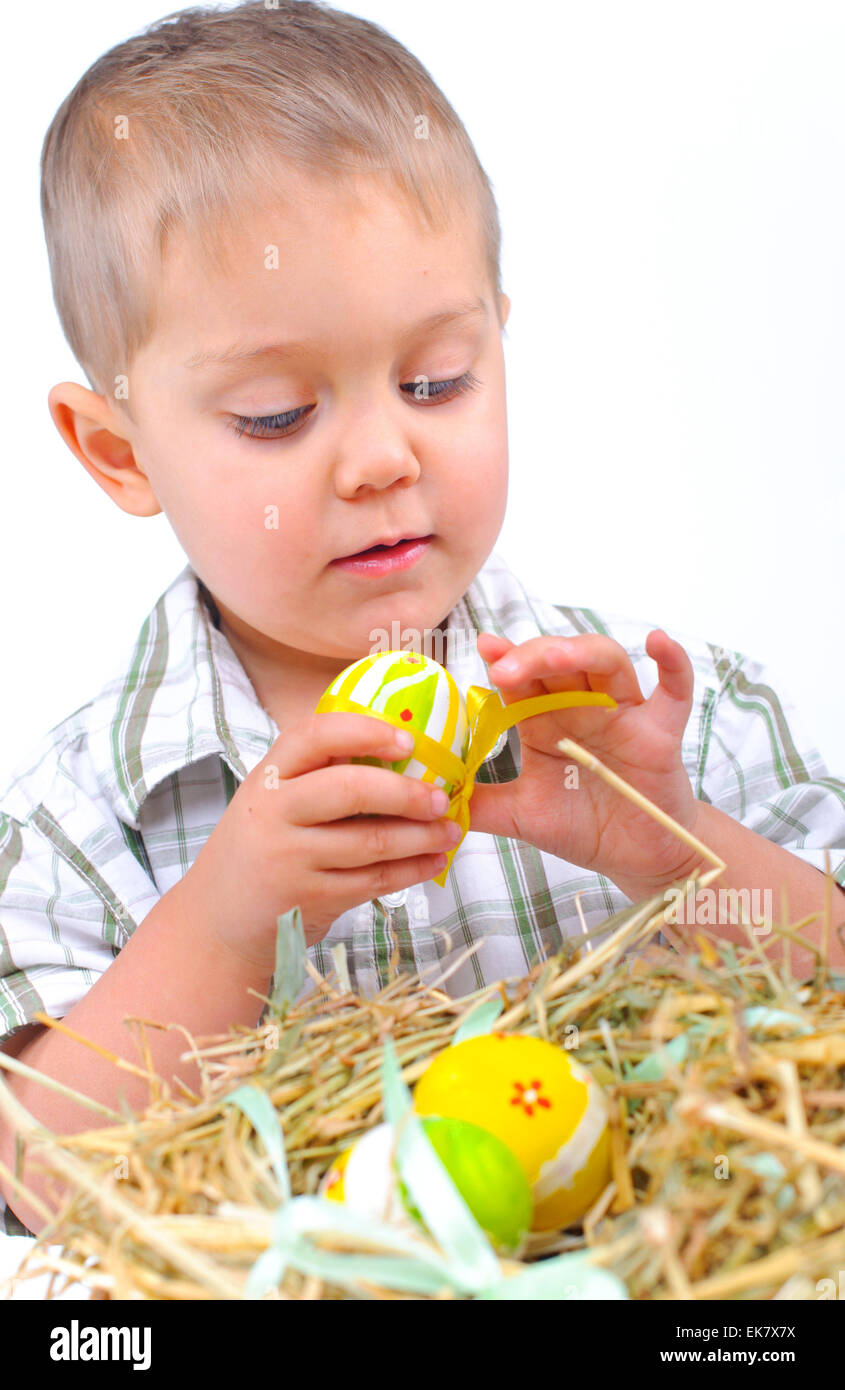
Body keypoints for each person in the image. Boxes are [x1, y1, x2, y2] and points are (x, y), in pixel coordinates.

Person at [1, 0, 843, 1239]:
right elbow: (37, 1183)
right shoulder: (79, 820)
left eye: (434, 382)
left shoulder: (670, 716)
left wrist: (675, 847)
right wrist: (229, 915)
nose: (381, 457)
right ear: (118, 452)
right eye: (279, 413)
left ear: (498, 343)